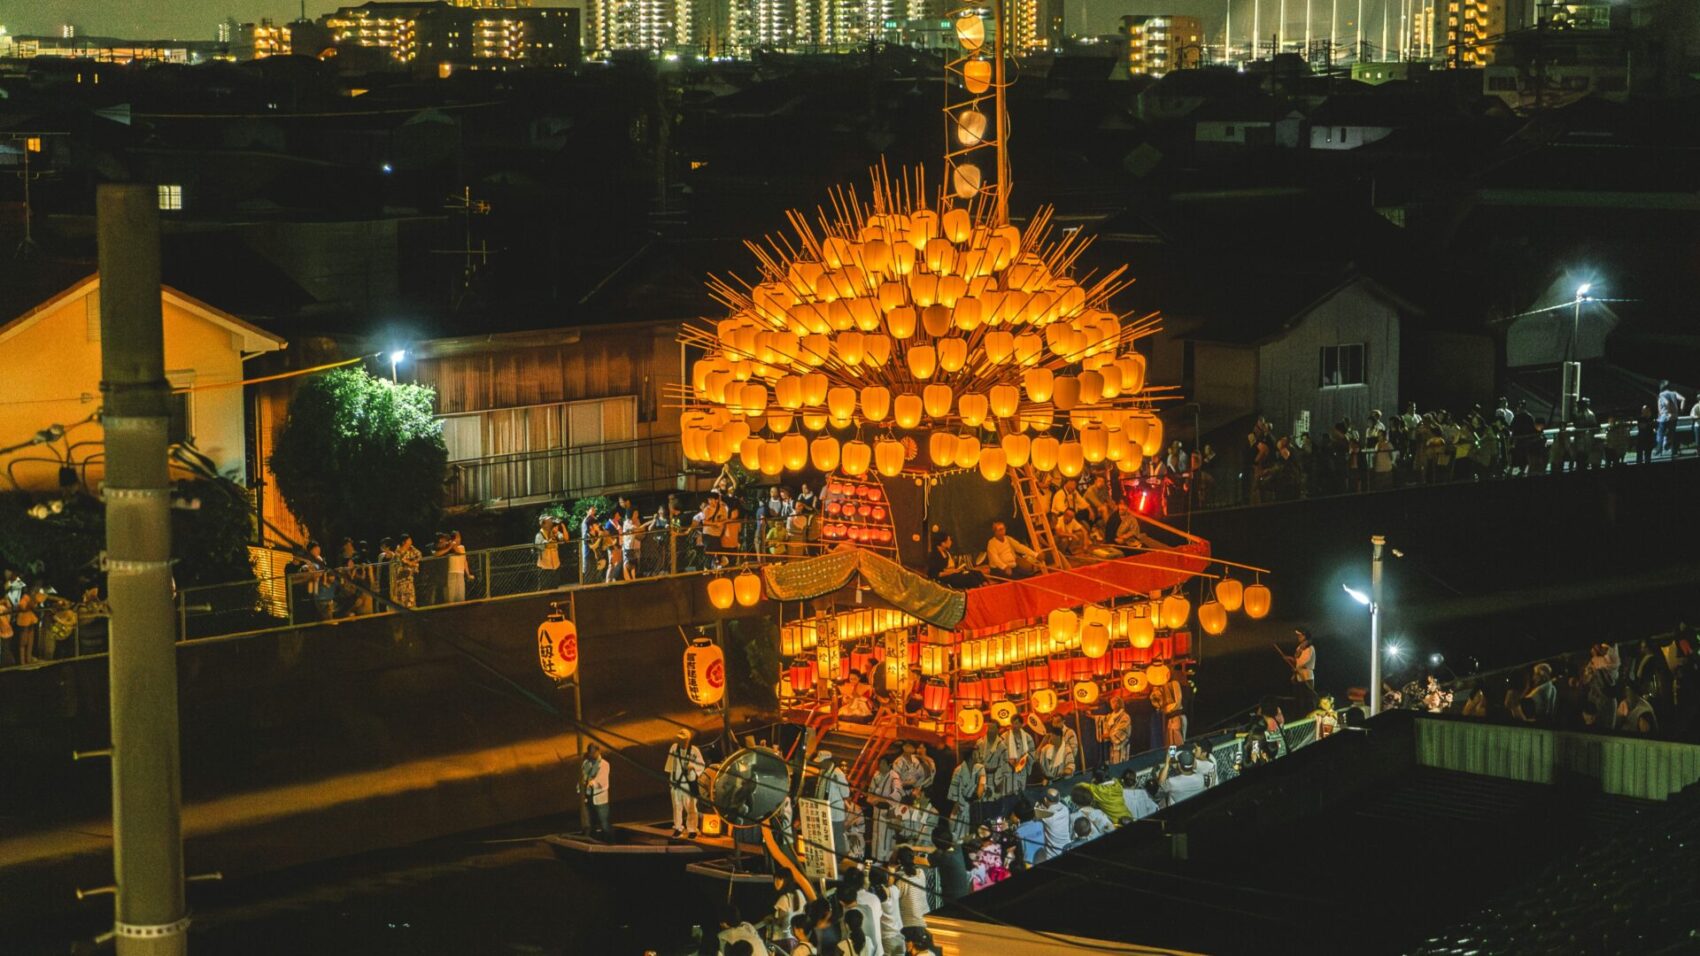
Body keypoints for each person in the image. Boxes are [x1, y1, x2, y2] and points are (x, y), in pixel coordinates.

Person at [665, 729, 706, 838]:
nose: (681, 741)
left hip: (688, 784)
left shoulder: (694, 750)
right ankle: (678, 827)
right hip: (676, 783)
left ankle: (692, 829)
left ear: (688, 740)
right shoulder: (674, 748)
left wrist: (693, 766)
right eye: (679, 739)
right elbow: (670, 764)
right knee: (677, 807)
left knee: (690, 807)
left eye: (683, 739)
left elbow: (701, 765)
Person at [815, 751, 851, 857]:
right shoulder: (822, 771)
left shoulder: (838, 773)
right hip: (824, 809)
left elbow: (846, 793)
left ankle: (840, 858)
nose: (819, 764)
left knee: (837, 836)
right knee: (827, 835)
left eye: (821, 762)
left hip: (835, 810)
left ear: (827, 761)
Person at [945, 748, 985, 842]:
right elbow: (954, 789)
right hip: (962, 804)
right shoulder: (958, 770)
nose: (978, 756)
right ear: (971, 756)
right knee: (958, 829)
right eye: (976, 754)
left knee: (975, 830)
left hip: (975, 804)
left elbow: (982, 783)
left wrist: (978, 793)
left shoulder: (980, 768)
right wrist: (956, 804)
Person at [891, 846, 931, 939]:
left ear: (899, 862)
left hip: (911, 924)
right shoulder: (921, 873)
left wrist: (891, 873)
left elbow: (892, 897)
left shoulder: (901, 881)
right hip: (925, 919)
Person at [580, 742, 613, 841]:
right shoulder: (586, 764)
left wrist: (592, 783)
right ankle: (593, 840)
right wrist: (581, 785)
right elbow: (582, 776)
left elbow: (603, 781)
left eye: (594, 752)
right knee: (591, 821)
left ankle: (609, 841)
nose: (592, 755)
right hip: (589, 796)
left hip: (600, 798)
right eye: (590, 753)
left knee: (604, 822)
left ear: (598, 752)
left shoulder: (604, 765)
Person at [931, 829, 971, 903]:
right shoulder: (957, 848)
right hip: (963, 893)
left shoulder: (945, 857)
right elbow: (935, 851)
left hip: (952, 898)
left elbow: (928, 861)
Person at [1033, 788, 1072, 863]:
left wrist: (1038, 806)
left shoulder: (1047, 817)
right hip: (1067, 847)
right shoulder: (1065, 809)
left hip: (1052, 855)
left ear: (1045, 799)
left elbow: (1036, 815)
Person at [1656, 380, 1686, 456]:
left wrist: (1668, 412)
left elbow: (1666, 403)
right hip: (1674, 417)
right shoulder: (1674, 393)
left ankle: (1659, 450)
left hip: (1664, 417)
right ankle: (1673, 451)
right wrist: (1681, 409)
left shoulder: (1661, 394)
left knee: (1660, 434)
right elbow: (1683, 399)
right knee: (1672, 434)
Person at [441, 530, 473, 601]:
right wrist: (452, 543)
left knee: (461, 595)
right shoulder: (450, 546)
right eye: (458, 537)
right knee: (451, 596)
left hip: (460, 573)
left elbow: (464, 561)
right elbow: (456, 550)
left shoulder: (462, 547)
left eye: (460, 537)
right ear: (454, 538)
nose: (460, 539)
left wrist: (468, 574)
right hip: (452, 572)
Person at [1103, 696, 1133, 764]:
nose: (1112, 704)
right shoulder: (1111, 716)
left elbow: (1122, 730)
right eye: (1111, 703)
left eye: (1114, 702)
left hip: (1121, 745)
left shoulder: (1125, 716)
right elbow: (1103, 719)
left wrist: (1110, 735)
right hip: (1112, 745)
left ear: (1119, 704)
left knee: (1121, 763)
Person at [535, 516, 562, 590]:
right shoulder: (539, 535)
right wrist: (547, 542)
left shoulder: (554, 532)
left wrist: (557, 533)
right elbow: (539, 546)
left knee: (555, 589)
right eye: (549, 521)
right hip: (545, 568)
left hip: (555, 566)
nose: (551, 523)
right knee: (545, 590)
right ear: (543, 524)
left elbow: (562, 538)